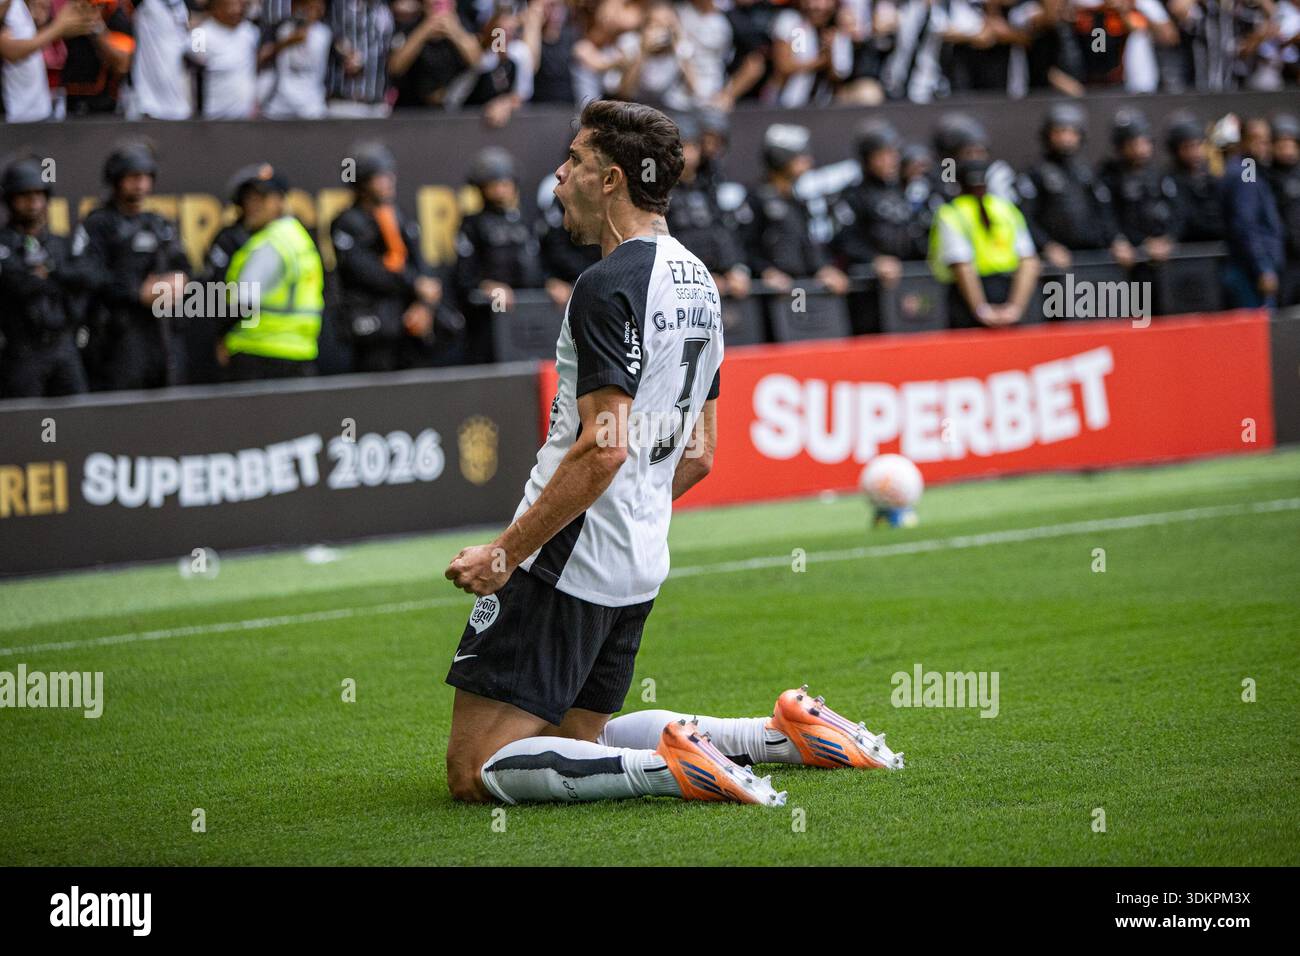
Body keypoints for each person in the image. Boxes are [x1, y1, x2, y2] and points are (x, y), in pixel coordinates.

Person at [442, 99, 904, 807]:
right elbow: (702, 453)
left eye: (574, 162)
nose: (558, 177)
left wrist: (506, 552)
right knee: (576, 737)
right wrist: (632, 506)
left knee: (476, 768)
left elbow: (603, 451)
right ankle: (774, 736)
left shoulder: (606, 285)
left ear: (612, 180)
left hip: (568, 554)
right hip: (638, 557)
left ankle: (671, 770)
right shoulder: (700, 280)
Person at [330, 143, 461, 371]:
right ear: (361, 183)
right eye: (379, 177)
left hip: (408, 325)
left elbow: (421, 265)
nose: (388, 182)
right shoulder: (347, 223)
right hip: (372, 326)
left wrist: (424, 305)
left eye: (389, 175)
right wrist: (414, 284)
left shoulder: (399, 218)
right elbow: (365, 271)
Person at [80, 143, 191, 390]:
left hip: (162, 333)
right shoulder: (99, 224)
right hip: (117, 334)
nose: (140, 185)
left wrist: (180, 281)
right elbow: (88, 275)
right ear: (117, 180)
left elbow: (185, 266)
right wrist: (137, 292)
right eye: (133, 177)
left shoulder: (159, 223)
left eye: (145, 178)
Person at [0, 156, 96, 398]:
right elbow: (17, 283)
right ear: (10, 199)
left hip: (63, 345)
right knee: (26, 421)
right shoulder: (4, 243)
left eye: (38, 195)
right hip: (22, 347)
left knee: (78, 416)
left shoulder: (60, 242)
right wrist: (56, 279)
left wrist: (51, 271)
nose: (33, 203)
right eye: (24, 196)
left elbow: (87, 276)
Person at [221, 162, 324, 380]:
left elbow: (244, 301)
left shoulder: (269, 244)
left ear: (280, 201)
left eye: (262, 198)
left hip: (259, 356)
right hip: (300, 352)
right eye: (248, 200)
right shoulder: (298, 237)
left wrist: (220, 334)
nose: (253, 206)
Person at [1017, 102, 1134, 270]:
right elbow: (1024, 217)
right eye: (1059, 131)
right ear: (1047, 135)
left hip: (1094, 255)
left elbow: (1104, 210)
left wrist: (1117, 239)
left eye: (1071, 132)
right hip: (1056, 261)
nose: (1065, 138)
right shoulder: (1035, 172)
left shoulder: (1087, 173)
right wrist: (1047, 246)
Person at [454, 146, 543, 363]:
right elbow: (463, 277)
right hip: (492, 315)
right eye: (493, 184)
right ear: (481, 188)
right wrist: (487, 287)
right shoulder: (472, 225)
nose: (501, 190)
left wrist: (552, 284)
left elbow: (542, 262)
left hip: (532, 314)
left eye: (505, 183)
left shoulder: (528, 220)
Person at [929, 158, 1040, 329]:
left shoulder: (951, 212)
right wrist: (1015, 308)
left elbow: (963, 267)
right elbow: (1029, 261)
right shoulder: (1006, 208)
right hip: (1003, 295)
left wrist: (982, 310)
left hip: (970, 301)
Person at [743, 123, 849, 295]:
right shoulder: (757, 199)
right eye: (801, 157)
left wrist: (823, 268)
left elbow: (807, 242)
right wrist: (765, 271)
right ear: (781, 158)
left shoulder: (798, 200)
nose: (809, 162)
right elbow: (745, 245)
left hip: (799, 290)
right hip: (771, 294)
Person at [832, 118, 924, 289]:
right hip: (870, 282)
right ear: (867, 159)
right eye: (882, 155)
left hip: (909, 277)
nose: (891, 161)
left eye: (893, 153)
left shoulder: (905, 190)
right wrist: (874, 259)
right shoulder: (854, 195)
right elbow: (845, 240)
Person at [1218, 114, 1285, 309]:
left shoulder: (1250, 169)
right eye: (1257, 140)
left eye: (1266, 141)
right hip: (1248, 273)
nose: (1263, 146)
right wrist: (1263, 268)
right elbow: (1246, 225)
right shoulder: (1246, 172)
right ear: (1243, 141)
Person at [1, 0, 96, 122]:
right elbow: (10, 51)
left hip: (38, 112)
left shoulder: (23, 7)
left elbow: (31, 43)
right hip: (14, 115)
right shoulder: (7, 5)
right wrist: (58, 28)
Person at [259, 0, 331, 119]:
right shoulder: (281, 28)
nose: (310, 11)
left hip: (312, 107)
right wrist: (287, 42)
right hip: (279, 105)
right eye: (307, 6)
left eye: (316, 6)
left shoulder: (325, 33)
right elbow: (263, 56)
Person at [191, 0, 261, 119]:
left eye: (241, 5)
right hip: (215, 115)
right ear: (216, 8)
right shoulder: (200, 35)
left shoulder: (250, 31)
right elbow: (193, 66)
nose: (238, 10)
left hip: (246, 116)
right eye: (232, 5)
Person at [1164, 112, 1225, 244]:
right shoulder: (1168, 182)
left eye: (1198, 145)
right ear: (1175, 150)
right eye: (1187, 147)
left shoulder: (1213, 180)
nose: (1195, 153)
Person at [1265, 113, 1300, 306]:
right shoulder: (1261, 173)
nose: (1287, 150)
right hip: (1282, 259)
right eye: (1281, 144)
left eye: (1291, 143)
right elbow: (1245, 176)